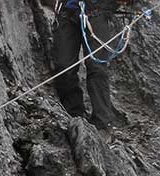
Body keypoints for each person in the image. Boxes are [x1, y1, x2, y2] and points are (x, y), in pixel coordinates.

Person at [51, 0, 132, 132]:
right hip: (66, 13)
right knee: (63, 66)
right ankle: (73, 113)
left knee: (97, 68)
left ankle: (103, 123)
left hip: (96, 13)